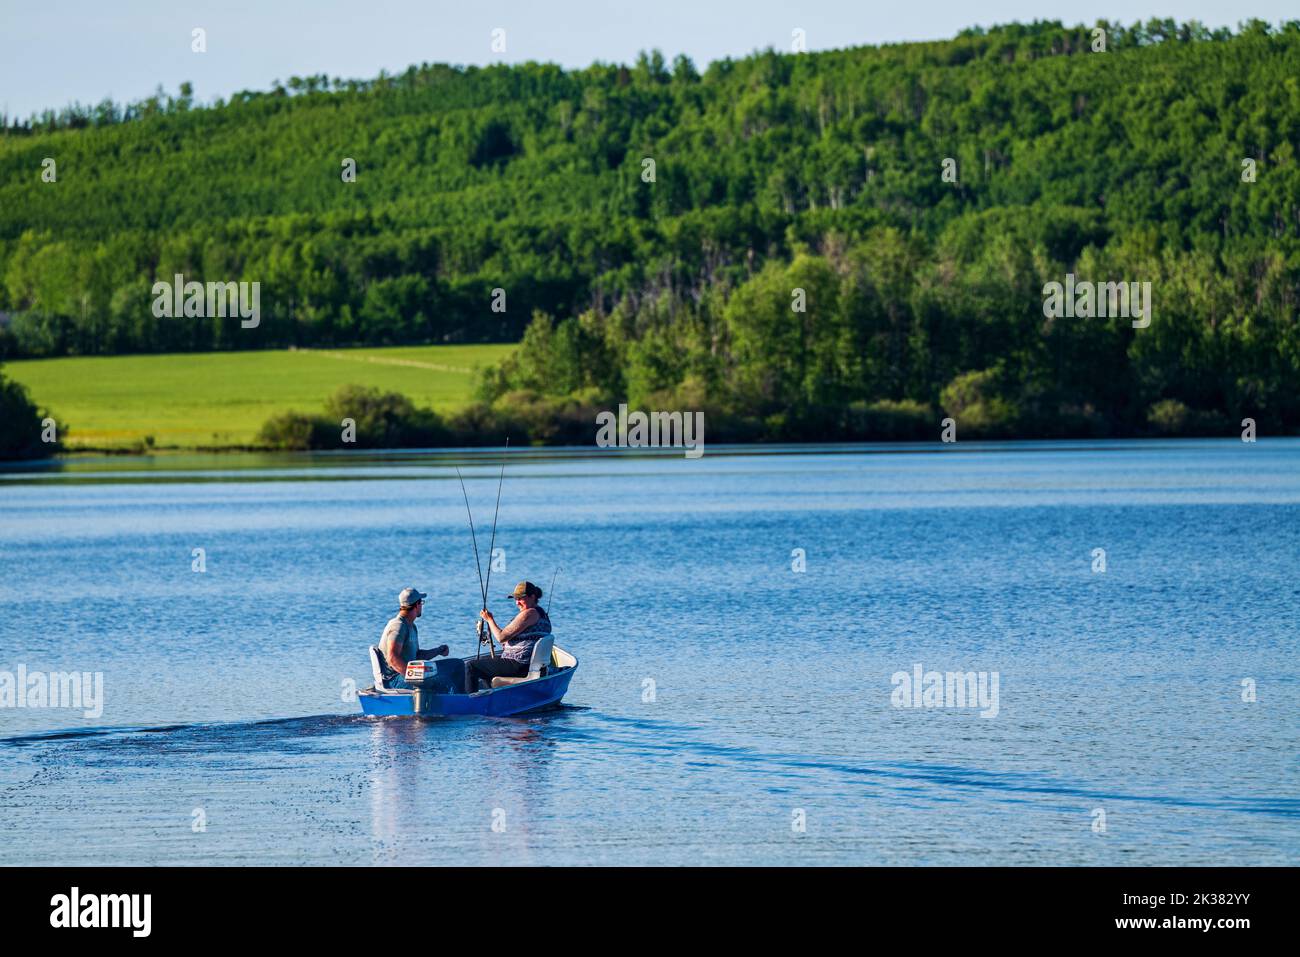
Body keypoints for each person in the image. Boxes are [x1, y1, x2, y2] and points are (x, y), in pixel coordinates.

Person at [464, 581, 552, 693]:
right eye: (515, 599)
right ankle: (491, 696)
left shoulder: (529, 613)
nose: (517, 603)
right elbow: (529, 636)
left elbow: (501, 637)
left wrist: (489, 619)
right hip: (528, 663)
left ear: (532, 597)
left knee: (471, 666)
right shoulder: (543, 615)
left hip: (519, 664)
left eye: (520, 598)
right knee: (483, 663)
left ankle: (471, 702)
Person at [377, 587, 449, 688]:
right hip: (394, 680)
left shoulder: (411, 626)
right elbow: (392, 658)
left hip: (408, 675)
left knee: (455, 665)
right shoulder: (398, 626)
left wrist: (438, 650)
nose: (422, 606)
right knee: (438, 679)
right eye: (421, 603)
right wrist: (415, 678)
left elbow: (417, 656)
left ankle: (460, 698)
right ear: (416, 605)